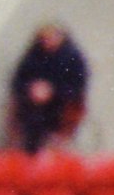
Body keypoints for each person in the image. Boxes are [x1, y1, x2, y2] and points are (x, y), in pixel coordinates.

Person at [6, 22, 88, 152]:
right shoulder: (33, 56)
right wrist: (31, 89)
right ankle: (28, 148)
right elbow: (18, 80)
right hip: (34, 102)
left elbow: (77, 85)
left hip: (61, 102)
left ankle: (56, 143)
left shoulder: (72, 58)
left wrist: (53, 91)